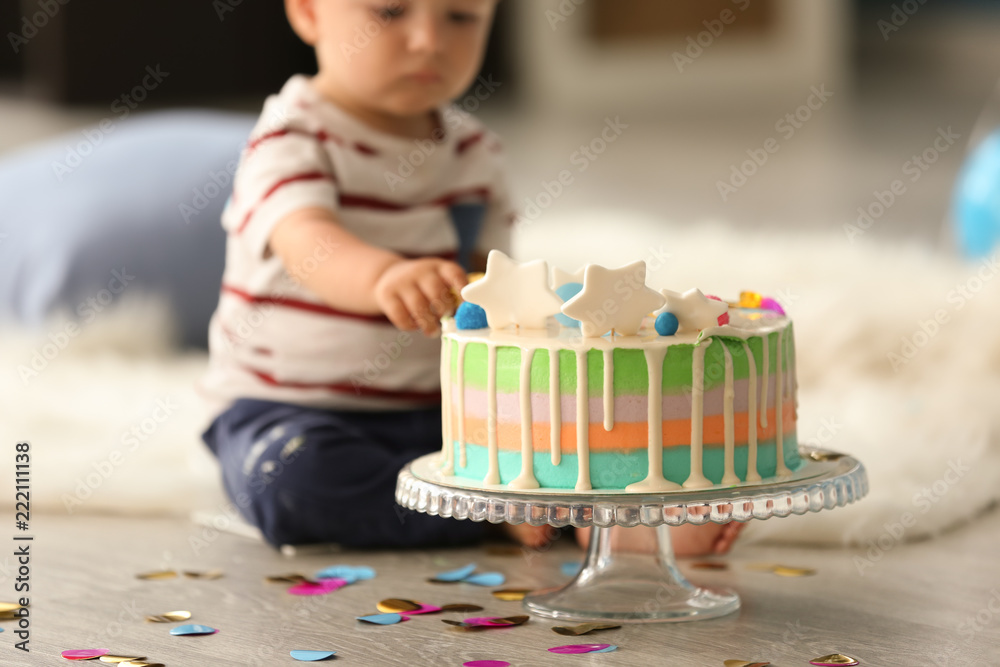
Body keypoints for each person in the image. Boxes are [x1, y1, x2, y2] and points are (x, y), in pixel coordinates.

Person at [199, 0, 743, 556]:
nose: (429, 40)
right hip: (293, 410)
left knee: (565, 425)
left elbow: (493, 287)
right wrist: (385, 276)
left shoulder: (474, 153)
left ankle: (605, 515)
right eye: (390, 13)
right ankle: (492, 515)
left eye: (460, 17)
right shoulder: (292, 136)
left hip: (446, 410)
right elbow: (307, 241)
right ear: (309, 13)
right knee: (293, 480)